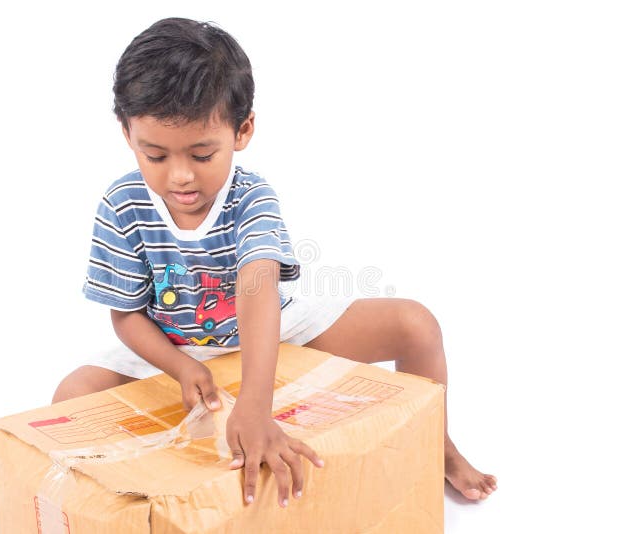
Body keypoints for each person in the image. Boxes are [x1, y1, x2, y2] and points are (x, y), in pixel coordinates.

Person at [52, 17, 497, 505]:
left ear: (242, 131)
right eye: (155, 156)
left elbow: (258, 287)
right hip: (174, 351)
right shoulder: (122, 204)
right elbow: (127, 313)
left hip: (274, 332)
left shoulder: (252, 197)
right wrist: (179, 367)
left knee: (416, 324)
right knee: (72, 394)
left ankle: (440, 443)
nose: (180, 177)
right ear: (127, 134)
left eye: (202, 155)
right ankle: (158, 488)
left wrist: (256, 404)